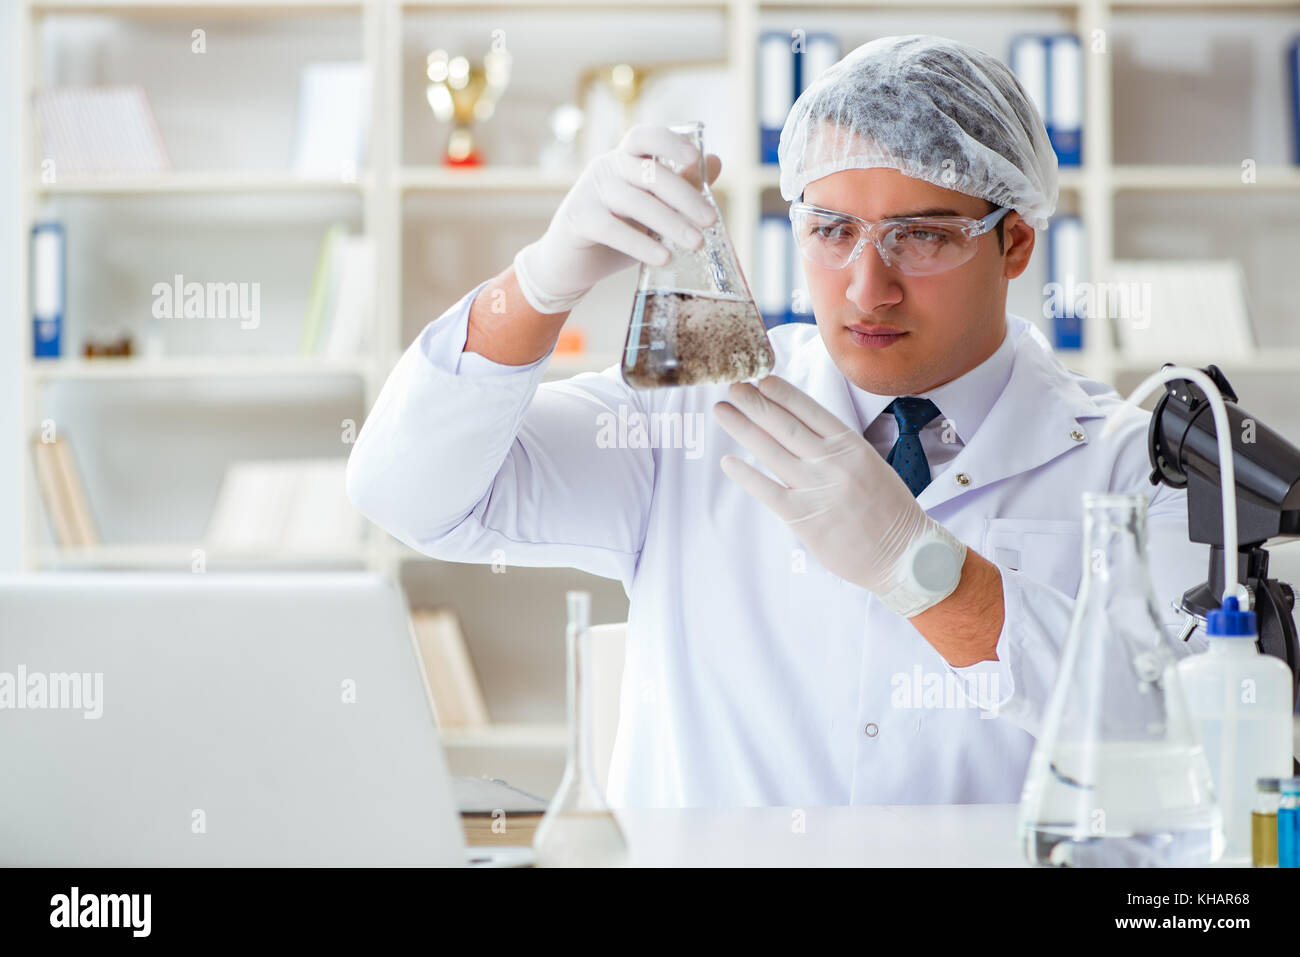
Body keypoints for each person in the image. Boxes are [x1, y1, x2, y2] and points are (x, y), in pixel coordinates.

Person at [346, 34, 1209, 808]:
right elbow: (410, 496)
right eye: (831, 229)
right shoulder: (694, 407)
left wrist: (926, 570)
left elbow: (1185, 739)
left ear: (1015, 242)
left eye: (922, 236)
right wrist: (537, 285)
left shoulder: (1136, 461)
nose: (869, 287)